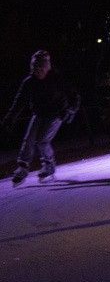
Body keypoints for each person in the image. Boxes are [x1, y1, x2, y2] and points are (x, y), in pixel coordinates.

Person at [3, 50, 79, 185]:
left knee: (42, 141)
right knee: (29, 138)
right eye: (34, 68)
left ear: (46, 67)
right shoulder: (29, 82)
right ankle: (23, 167)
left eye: (40, 68)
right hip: (39, 114)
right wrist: (9, 118)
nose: (37, 71)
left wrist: (71, 110)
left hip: (56, 114)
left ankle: (49, 165)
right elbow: (19, 101)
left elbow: (74, 95)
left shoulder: (57, 78)